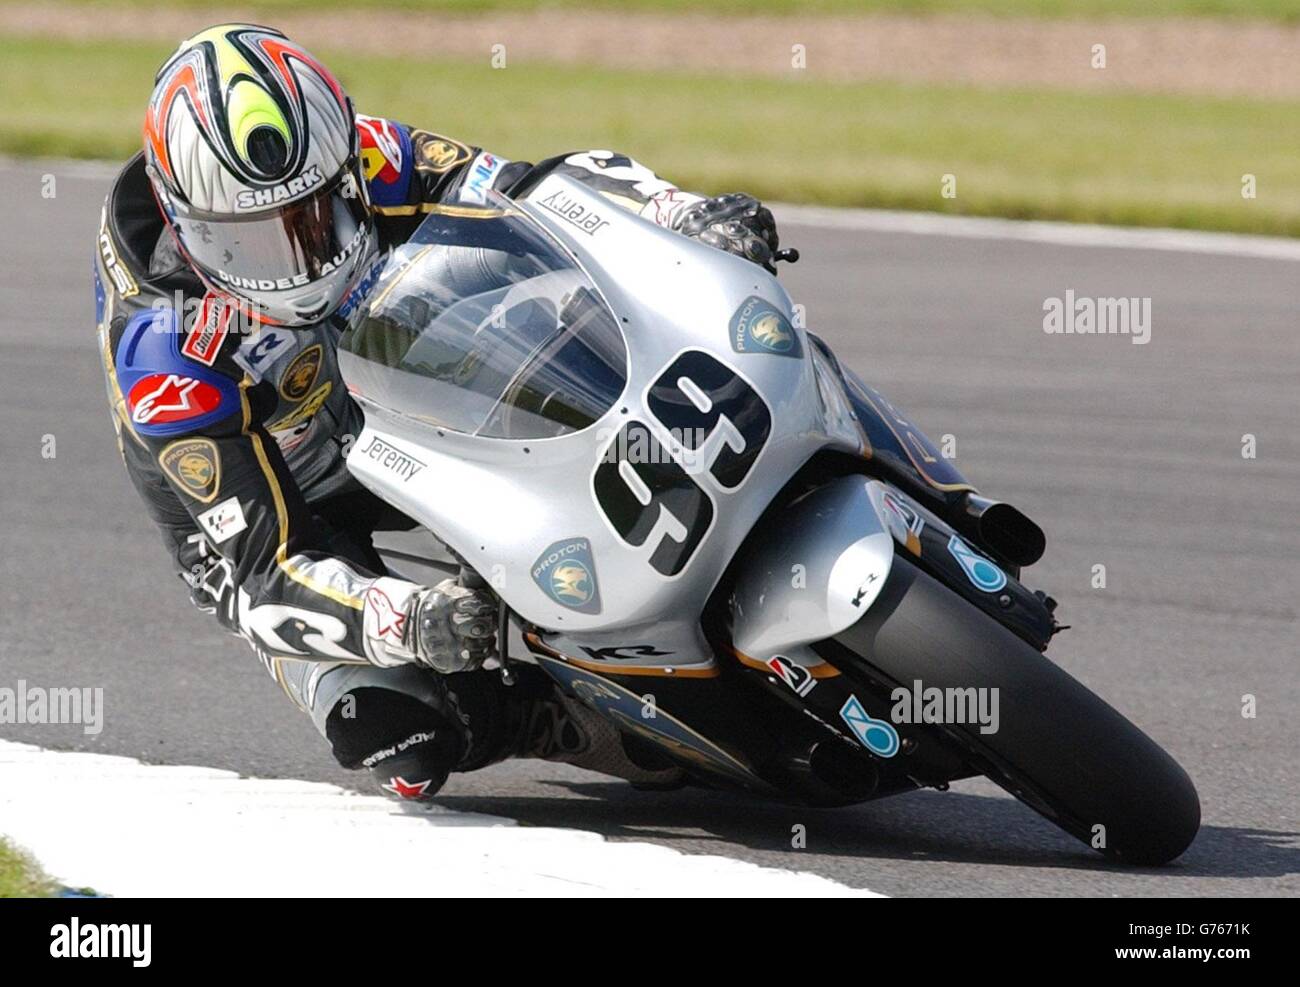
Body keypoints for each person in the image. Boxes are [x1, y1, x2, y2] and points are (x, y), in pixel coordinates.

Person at [95, 23, 781, 800]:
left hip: (376, 387)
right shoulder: (165, 354)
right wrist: (407, 619)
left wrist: (677, 211)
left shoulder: (365, 151)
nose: (302, 259)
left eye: (316, 215)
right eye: (259, 242)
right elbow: (264, 575)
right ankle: (541, 717)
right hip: (265, 495)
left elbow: (531, 192)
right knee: (395, 732)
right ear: (193, 228)